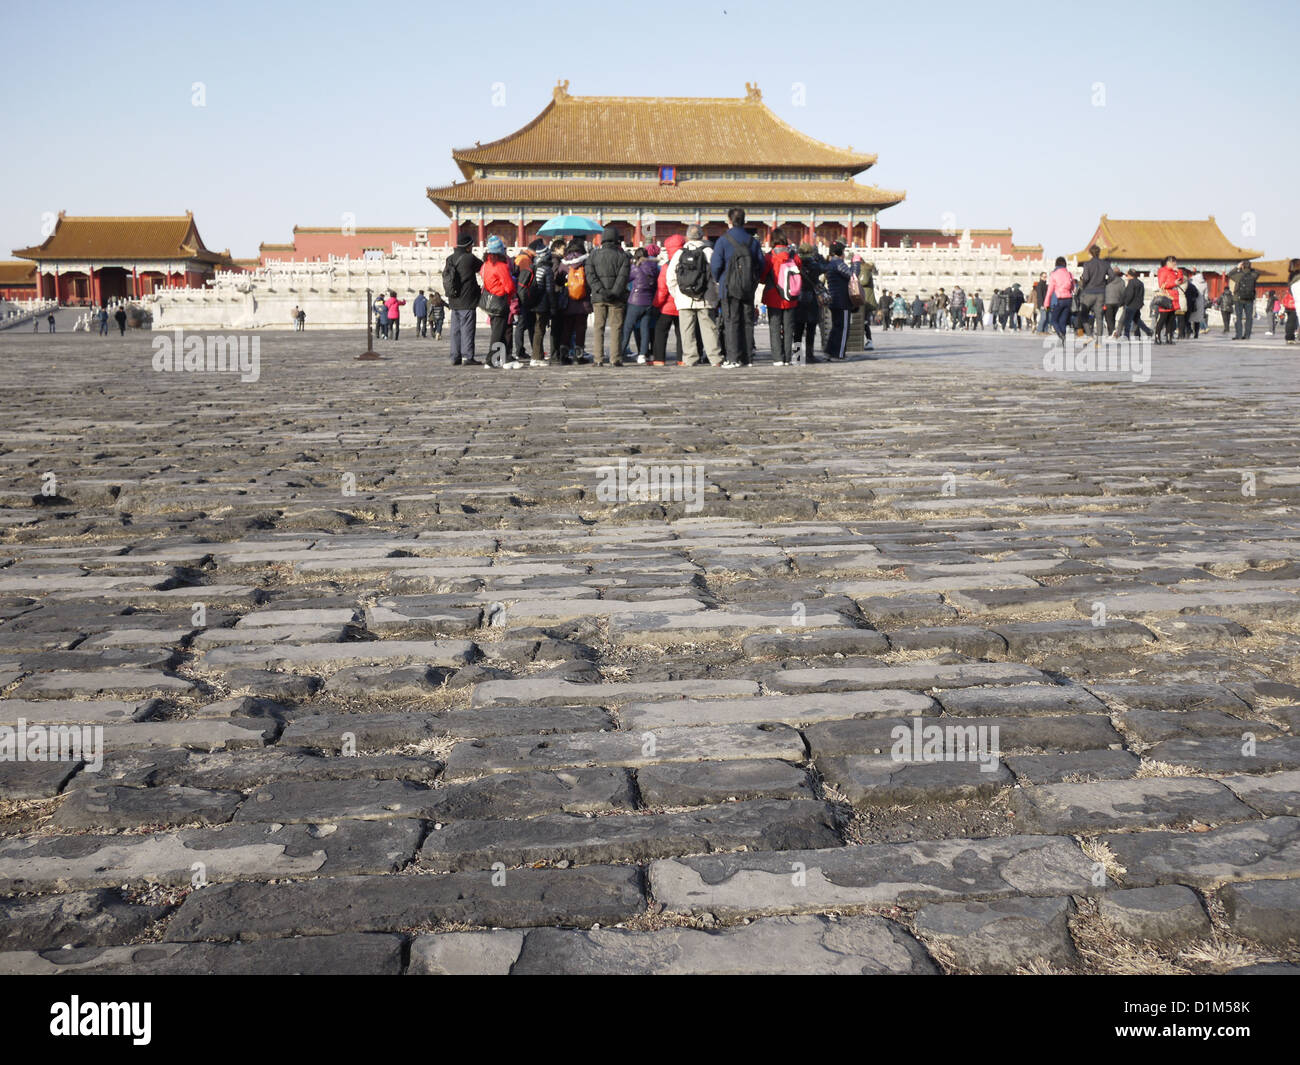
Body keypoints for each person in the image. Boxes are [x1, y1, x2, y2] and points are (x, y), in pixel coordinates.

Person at [710, 207, 764, 367]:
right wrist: (752, 280)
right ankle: (747, 357)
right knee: (747, 321)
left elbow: (715, 265)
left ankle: (733, 358)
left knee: (731, 321)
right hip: (747, 287)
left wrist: (720, 278)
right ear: (744, 221)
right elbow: (760, 264)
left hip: (728, 286)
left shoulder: (723, 240)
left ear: (729, 221)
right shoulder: (752, 241)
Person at [667, 225, 721, 366]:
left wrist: (677, 294)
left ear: (687, 237)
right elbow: (716, 276)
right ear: (702, 236)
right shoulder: (708, 251)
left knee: (686, 330)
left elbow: (670, 277)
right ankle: (715, 358)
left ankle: (690, 359)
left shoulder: (679, 253)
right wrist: (715, 294)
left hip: (684, 299)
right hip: (705, 297)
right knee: (709, 328)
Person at [587, 225, 631, 367]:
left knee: (598, 327)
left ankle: (598, 359)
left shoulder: (593, 255)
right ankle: (615, 358)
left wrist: (601, 290)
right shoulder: (622, 256)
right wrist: (614, 292)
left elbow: (590, 275)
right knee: (616, 327)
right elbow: (623, 277)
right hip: (616, 299)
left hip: (599, 297)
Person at [758, 229, 801, 366]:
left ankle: (777, 358)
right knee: (789, 328)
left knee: (774, 327)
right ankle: (788, 358)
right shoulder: (794, 256)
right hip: (791, 297)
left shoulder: (769, 257)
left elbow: (763, 277)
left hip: (773, 296)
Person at [443, 233, 482, 365]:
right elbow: (481, 266)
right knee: (467, 329)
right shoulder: (469, 258)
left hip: (453, 300)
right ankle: (468, 356)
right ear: (468, 246)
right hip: (467, 300)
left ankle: (455, 356)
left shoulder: (450, 259)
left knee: (455, 331)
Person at [480, 235, 515, 364]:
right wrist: (510, 295)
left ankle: (506, 358)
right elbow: (509, 286)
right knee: (498, 333)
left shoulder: (486, 265)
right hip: (500, 301)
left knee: (499, 330)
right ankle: (490, 360)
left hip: (490, 301)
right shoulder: (500, 266)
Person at [555, 237, 591, 363]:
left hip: (567, 300)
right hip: (583, 301)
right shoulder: (587, 261)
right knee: (581, 329)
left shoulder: (564, 262)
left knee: (567, 329)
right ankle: (578, 356)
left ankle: (563, 356)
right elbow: (590, 280)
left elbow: (558, 280)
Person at [651, 233, 685, 365]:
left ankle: (659, 359)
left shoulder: (667, 266)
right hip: (683, 305)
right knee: (682, 333)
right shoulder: (689, 261)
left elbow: (662, 288)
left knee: (660, 331)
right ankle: (682, 359)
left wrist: (656, 304)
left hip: (667, 306)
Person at [620, 248, 658, 362]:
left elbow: (625, 279)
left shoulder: (636, 269)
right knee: (644, 328)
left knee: (627, 328)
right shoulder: (654, 268)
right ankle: (643, 354)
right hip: (649, 302)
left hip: (635, 302)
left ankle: (620, 352)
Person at [1078, 244, 1119, 342]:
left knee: (1083, 315)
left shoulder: (1087, 264)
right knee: (1099, 317)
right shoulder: (1105, 264)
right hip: (1101, 292)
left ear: (1090, 253)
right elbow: (1112, 275)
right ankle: (1099, 342)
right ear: (1099, 253)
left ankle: (1089, 335)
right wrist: (1105, 282)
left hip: (1089, 292)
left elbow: (1086, 278)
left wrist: (1082, 284)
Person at [822, 240, 853, 359]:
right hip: (842, 300)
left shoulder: (829, 264)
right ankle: (839, 354)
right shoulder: (839, 263)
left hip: (833, 299)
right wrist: (856, 264)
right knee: (844, 328)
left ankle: (829, 351)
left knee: (836, 327)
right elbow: (852, 275)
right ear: (840, 252)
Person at [793, 242, 823, 362]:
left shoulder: (795, 264)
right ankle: (810, 355)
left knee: (798, 330)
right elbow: (824, 267)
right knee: (811, 328)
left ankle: (798, 356)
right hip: (811, 299)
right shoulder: (815, 265)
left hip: (798, 298)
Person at [512, 247, 538, 362]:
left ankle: (533, 350)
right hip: (523, 298)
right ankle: (520, 351)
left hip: (524, 297)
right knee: (521, 325)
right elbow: (522, 281)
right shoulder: (524, 260)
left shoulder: (524, 258)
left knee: (526, 325)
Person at [1226, 259, 1260, 340]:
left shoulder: (1238, 275)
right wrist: (1250, 269)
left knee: (1239, 317)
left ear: (1242, 266)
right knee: (1249, 318)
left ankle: (1239, 335)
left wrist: (1237, 268)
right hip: (1250, 299)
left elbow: (1229, 274)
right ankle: (1247, 335)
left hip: (1238, 299)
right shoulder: (1253, 275)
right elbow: (1258, 273)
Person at [1045, 256, 1075, 342]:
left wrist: (1046, 303)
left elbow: (1050, 290)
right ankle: (1063, 339)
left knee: (1054, 320)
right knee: (1063, 321)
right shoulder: (1069, 274)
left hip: (1059, 299)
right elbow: (1073, 288)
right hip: (1068, 299)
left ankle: (1060, 334)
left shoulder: (1054, 274)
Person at [1154, 255, 1181, 344]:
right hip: (1166, 297)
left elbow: (1180, 281)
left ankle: (1169, 337)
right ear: (1168, 262)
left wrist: (1179, 272)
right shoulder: (1163, 271)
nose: (1175, 264)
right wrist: (1173, 283)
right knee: (1163, 318)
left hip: (1174, 297)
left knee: (1171, 319)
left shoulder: (1174, 272)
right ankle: (1157, 337)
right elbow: (1161, 284)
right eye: (1174, 262)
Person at [1118, 269, 1151, 339]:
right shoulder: (1140, 283)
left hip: (1131, 305)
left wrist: (1125, 303)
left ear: (1129, 275)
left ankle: (1126, 335)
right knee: (1137, 320)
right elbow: (1142, 294)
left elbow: (1130, 294)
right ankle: (1148, 331)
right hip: (1138, 305)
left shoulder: (1131, 282)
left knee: (1127, 321)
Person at [1103, 269, 1126, 338]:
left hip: (1108, 301)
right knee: (1112, 317)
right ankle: (1113, 332)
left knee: (1108, 318)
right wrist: (1121, 302)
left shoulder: (1107, 281)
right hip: (1117, 302)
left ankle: (1112, 332)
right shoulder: (1122, 281)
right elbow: (1123, 293)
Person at [1285, 258, 1300, 344]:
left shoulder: (1291, 275)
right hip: (1296, 301)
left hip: (1291, 301)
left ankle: (1289, 337)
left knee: (1291, 320)